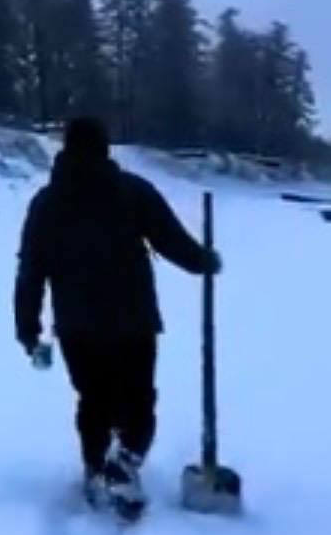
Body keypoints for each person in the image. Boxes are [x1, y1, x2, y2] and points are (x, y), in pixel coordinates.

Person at [13, 115, 219, 512]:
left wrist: (28, 330)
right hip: (133, 320)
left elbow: (31, 271)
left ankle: (97, 468)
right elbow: (172, 240)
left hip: (77, 325)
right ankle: (126, 459)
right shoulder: (132, 192)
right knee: (138, 401)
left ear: (65, 149)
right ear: (106, 149)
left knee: (94, 399)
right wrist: (203, 261)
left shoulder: (46, 204)